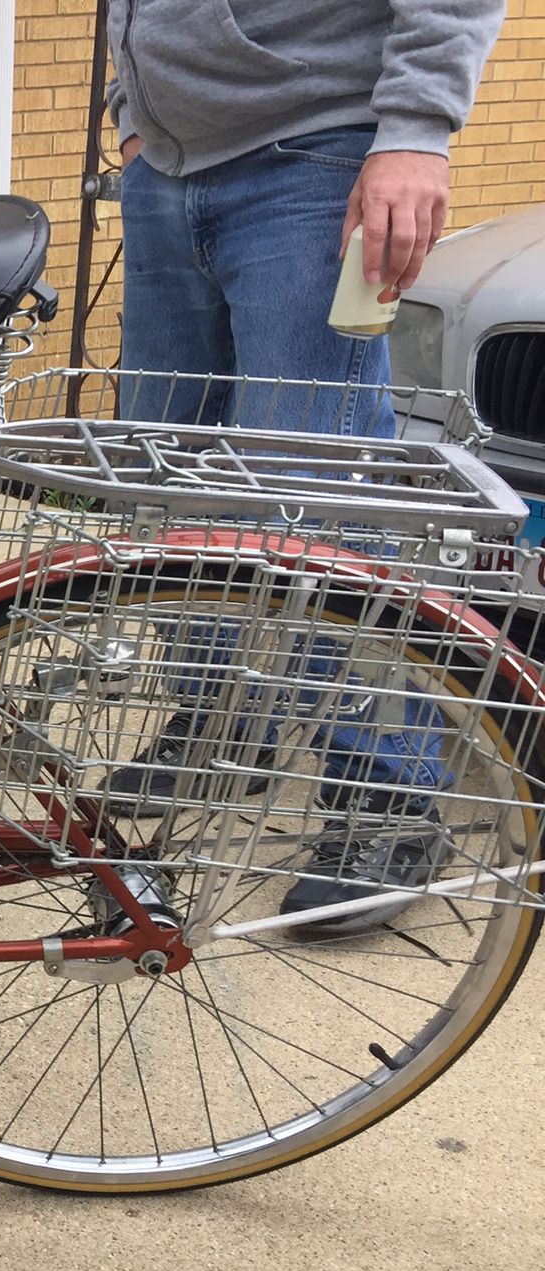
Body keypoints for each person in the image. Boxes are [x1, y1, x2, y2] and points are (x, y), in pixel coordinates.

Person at [101, 0, 505, 933]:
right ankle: (223, 719)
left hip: (315, 161)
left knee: (317, 500)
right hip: (166, 170)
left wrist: (414, 132)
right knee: (175, 479)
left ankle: (387, 798)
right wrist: (133, 112)